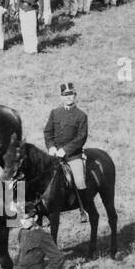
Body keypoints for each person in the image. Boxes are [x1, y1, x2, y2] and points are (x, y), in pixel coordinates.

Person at [43, 81, 89, 222]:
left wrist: (65, 150)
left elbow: (81, 137)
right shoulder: (55, 113)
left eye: (71, 94)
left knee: (79, 181)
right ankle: (43, 211)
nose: (69, 97)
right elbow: (48, 132)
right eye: (65, 95)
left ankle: (84, 209)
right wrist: (51, 147)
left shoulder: (81, 115)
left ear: (75, 96)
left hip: (72, 155)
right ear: (61, 97)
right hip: (54, 154)